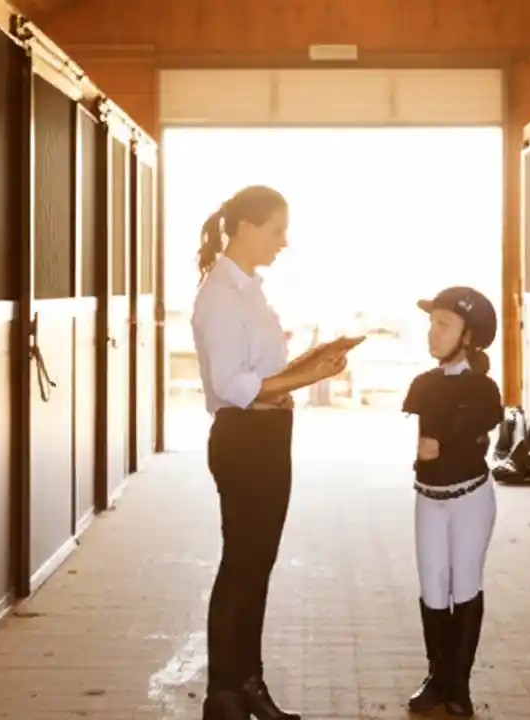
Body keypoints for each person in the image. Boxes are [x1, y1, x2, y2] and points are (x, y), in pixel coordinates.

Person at [191, 185, 348, 720]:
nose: (284, 241)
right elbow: (232, 383)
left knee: (257, 565)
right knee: (241, 565)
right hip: (245, 439)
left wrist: (312, 363)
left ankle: (247, 685)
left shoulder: (250, 291)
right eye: (278, 229)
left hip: (268, 437)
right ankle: (224, 695)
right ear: (246, 227)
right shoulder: (220, 294)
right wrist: (305, 376)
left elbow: (264, 372)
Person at [400, 287, 503, 717]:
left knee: (464, 584)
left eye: (444, 324)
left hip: (469, 500)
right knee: (431, 587)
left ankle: (458, 684)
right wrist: (436, 444)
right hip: (429, 497)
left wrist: (439, 442)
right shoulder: (423, 384)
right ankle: (436, 675)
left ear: (468, 336)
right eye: (431, 323)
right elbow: (430, 445)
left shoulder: (483, 388)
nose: (432, 333)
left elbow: (453, 438)